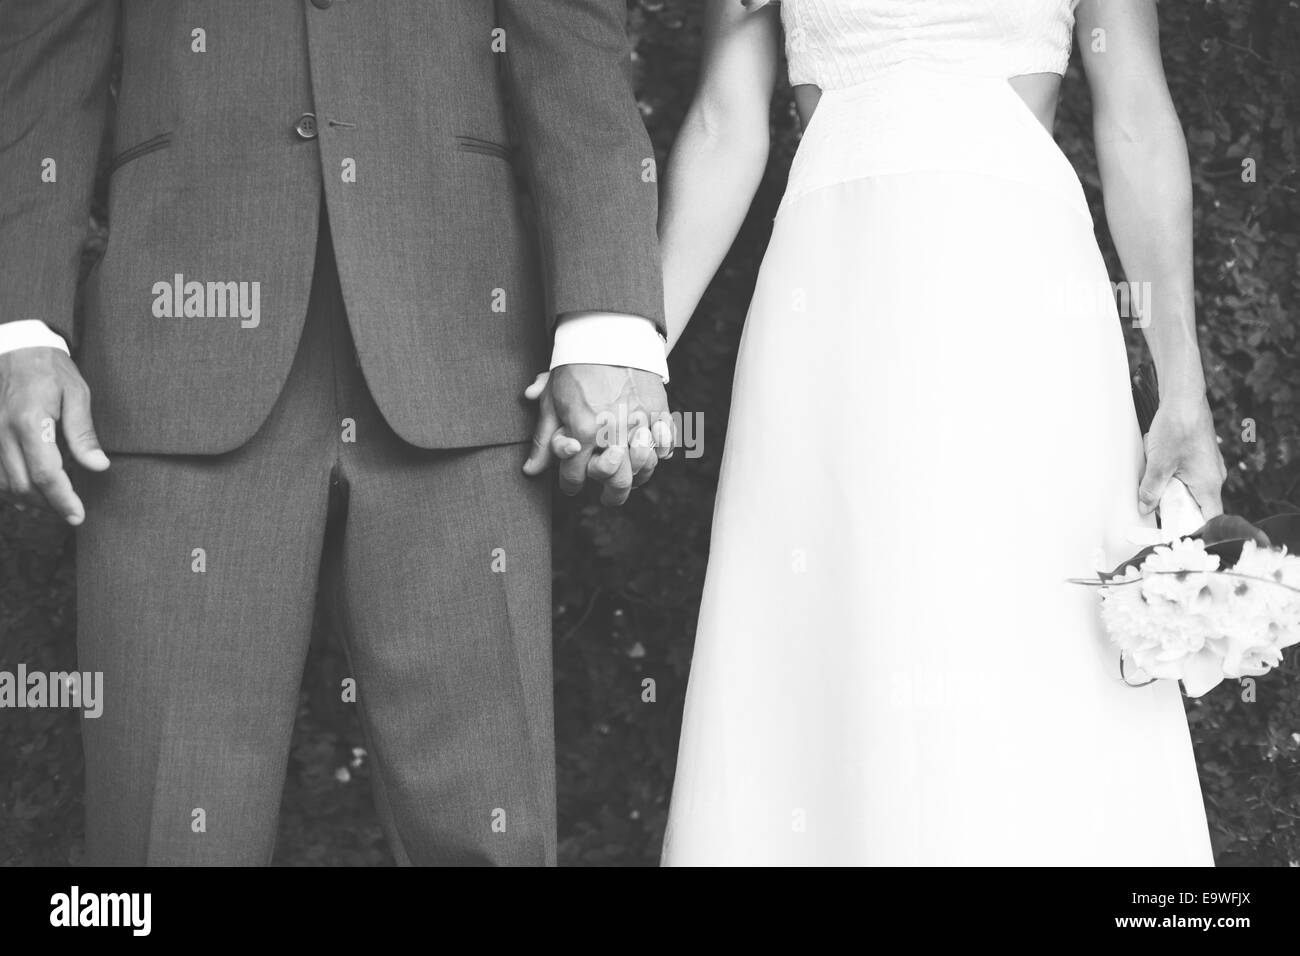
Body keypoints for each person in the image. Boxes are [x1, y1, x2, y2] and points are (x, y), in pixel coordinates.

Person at [0, 0, 671, 866]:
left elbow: (571, 31)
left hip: (466, 340)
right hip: (176, 341)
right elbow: (41, 43)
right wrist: (21, 322)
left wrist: (610, 315)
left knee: (490, 842)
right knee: (159, 845)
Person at [656, 0, 1225, 865]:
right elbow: (723, 120)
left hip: (1024, 287)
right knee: (837, 614)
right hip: (829, 292)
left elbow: (1138, 117)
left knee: (1028, 626)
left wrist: (1182, 386)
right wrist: (631, 354)